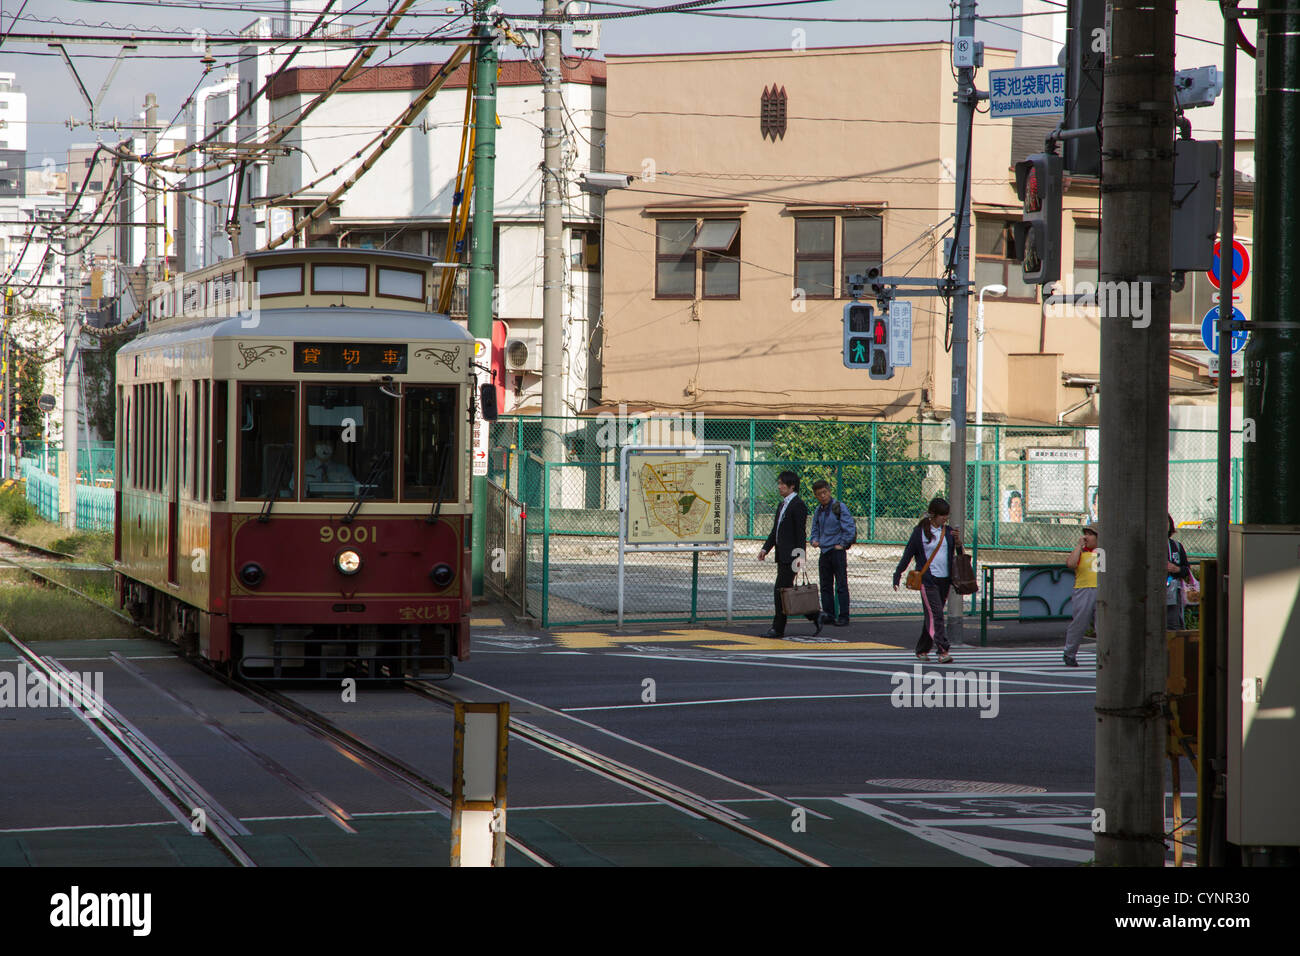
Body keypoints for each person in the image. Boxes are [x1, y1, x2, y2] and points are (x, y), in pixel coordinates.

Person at [893, 497, 962, 662]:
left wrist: (958, 542)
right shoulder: (920, 532)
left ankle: (922, 650)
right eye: (942, 515)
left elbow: (959, 556)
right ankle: (943, 650)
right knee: (937, 615)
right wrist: (898, 573)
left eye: (947, 515)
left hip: (945, 579)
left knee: (932, 616)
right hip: (927, 580)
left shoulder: (949, 531)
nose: (945, 518)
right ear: (933, 514)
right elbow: (908, 554)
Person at [758, 471, 821, 638]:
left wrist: (801, 557)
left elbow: (800, 534)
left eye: (782, 484)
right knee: (786, 592)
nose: (779, 487)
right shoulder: (782, 505)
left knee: (780, 592)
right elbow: (776, 531)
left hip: (792, 556)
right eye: (779, 483)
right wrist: (766, 548)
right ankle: (815, 615)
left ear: (792, 486)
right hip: (782, 555)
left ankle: (778, 628)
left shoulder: (798, 505)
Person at [809, 479, 856, 626]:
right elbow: (814, 529)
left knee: (841, 584)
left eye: (825, 492)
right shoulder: (818, 510)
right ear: (816, 496)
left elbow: (849, 528)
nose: (823, 496)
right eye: (819, 494)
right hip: (824, 551)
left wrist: (841, 544)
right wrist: (814, 540)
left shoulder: (839, 507)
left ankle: (844, 616)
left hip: (836, 551)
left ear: (829, 491)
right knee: (825, 585)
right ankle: (829, 614)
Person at [1063, 525, 1099, 666]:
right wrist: (1079, 547)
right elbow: (1071, 564)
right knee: (1079, 622)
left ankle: (1103, 655)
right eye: (1086, 534)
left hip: (1101, 589)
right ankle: (1069, 653)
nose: (1086, 537)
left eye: (1091, 534)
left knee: (1102, 624)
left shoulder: (1102, 552)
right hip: (1083, 590)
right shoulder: (1081, 552)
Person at [1166, 514, 1191, 630]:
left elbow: (1186, 570)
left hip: (1173, 592)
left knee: (1173, 625)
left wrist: (1176, 569)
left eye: (1166, 522)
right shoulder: (1147, 545)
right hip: (1151, 592)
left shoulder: (1176, 546)